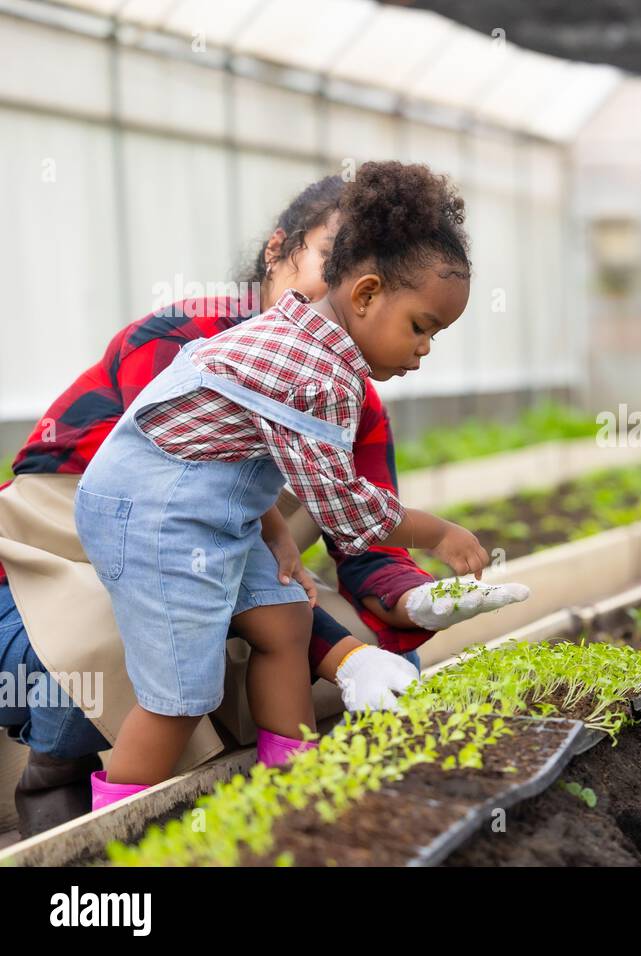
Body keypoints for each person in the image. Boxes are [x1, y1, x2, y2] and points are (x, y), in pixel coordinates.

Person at [0, 171, 526, 835]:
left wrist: (288, 532)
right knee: (177, 693)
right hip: (137, 522)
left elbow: (222, 450)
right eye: (422, 329)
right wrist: (440, 533)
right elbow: (347, 512)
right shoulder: (303, 370)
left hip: (209, 513)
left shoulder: (301, 338)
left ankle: (292, 788)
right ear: (355, 286)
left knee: (285, 621)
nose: (424, 351)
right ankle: (109, 832)